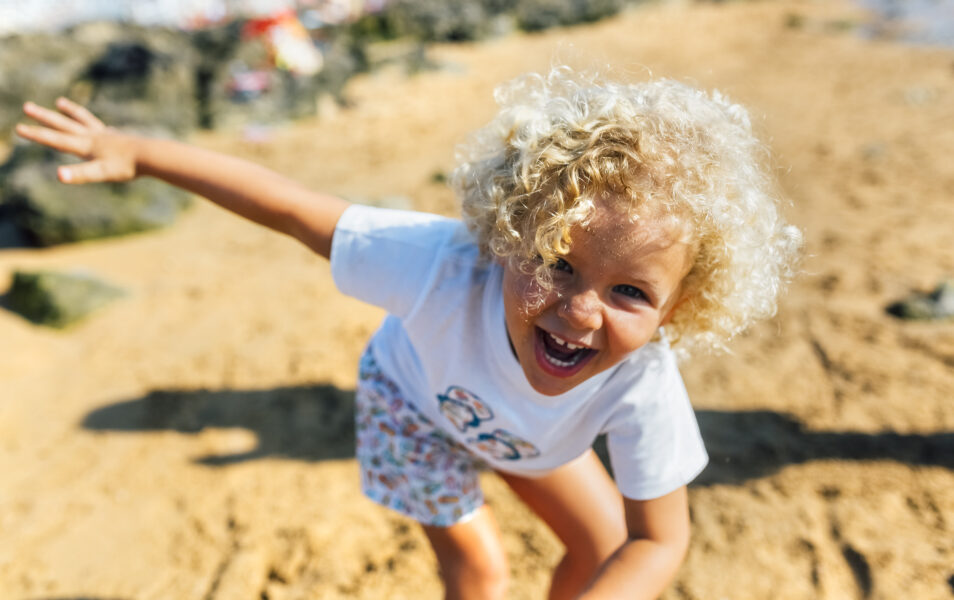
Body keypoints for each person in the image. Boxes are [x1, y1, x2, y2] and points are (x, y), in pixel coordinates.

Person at [16, 66, 801, 600]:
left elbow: (658, 543)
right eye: (558, 262)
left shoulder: (643, 385)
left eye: (630, 291)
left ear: (679, 307)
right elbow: (291, 208)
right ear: (508, 231)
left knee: (601, 553)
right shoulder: (437, 265)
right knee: (479, 570)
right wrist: (142, 152)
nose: (580, 309)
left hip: (522, 437)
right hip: (412, 405)